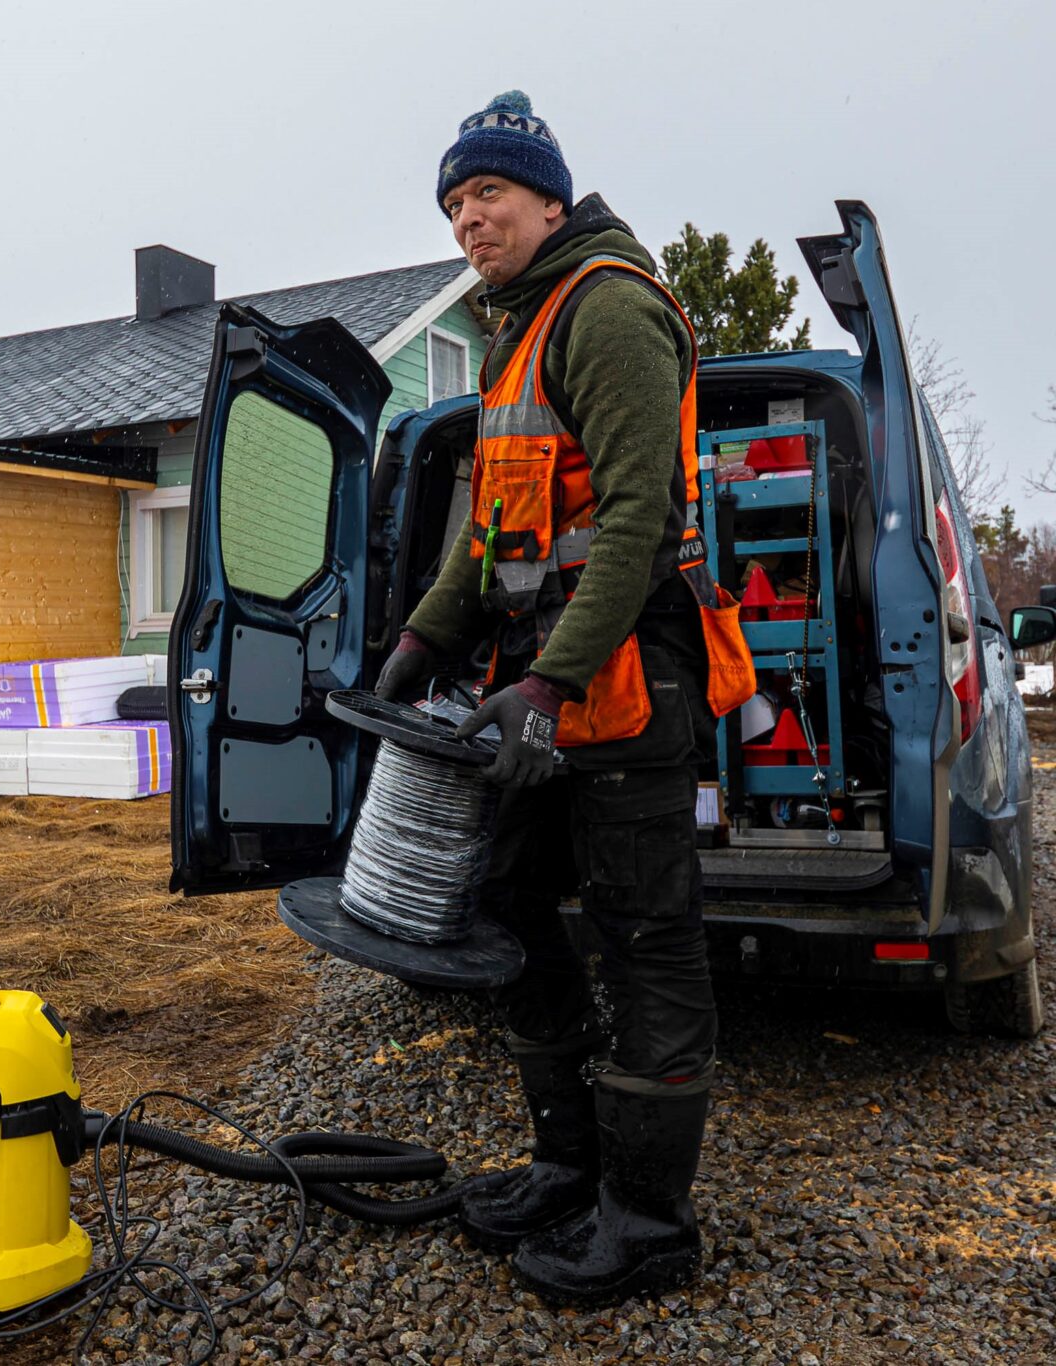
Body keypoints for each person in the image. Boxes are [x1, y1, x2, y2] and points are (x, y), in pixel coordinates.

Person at [375, 90, 753, 1307]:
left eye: (485, 193)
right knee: (503, 898)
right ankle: (566, 1164)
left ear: (549, 196)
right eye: (451, 203)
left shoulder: (611, 309)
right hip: (532, 684)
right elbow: (489, 535)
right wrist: (420, 642)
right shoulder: (513, 335)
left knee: (645, 935)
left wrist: (550, 679)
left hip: (623, 671)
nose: (466, 220)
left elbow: (638, 521)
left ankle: (646, 1219)